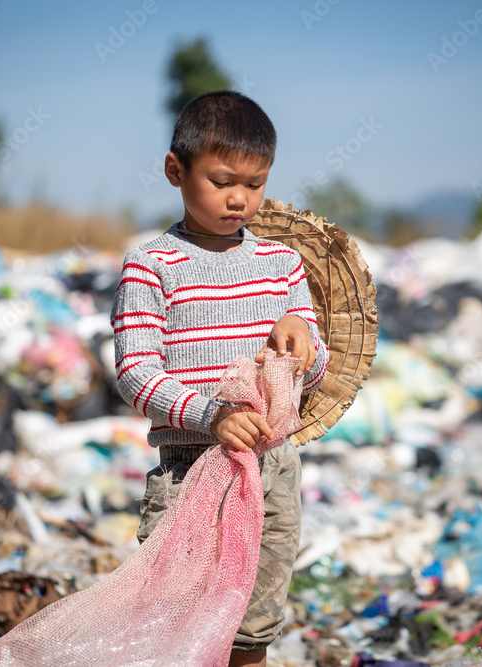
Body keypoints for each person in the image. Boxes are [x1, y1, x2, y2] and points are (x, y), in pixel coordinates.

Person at [110, 90, 329, 666]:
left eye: (255, 184)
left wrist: (301, 344)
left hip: (271, 468)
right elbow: (136, 372)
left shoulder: (281, 265)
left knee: (251, 631)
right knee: (179, 622)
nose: (240, 198)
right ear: (175, 171)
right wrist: (213, 414)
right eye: (222, 180)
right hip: (188, 469)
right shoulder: (152, 264)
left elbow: (313, 364)